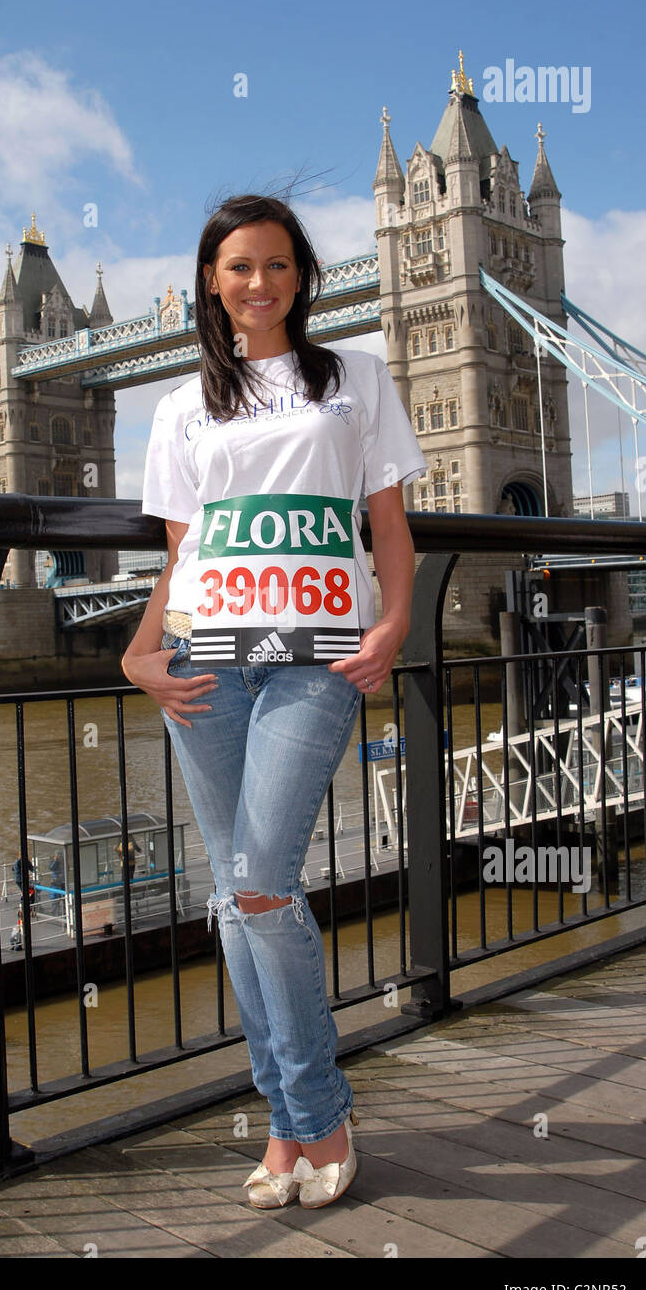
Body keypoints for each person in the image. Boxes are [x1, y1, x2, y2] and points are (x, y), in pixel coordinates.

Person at [122, 191, 425, 1210]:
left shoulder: (355, 380)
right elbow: (183, 551)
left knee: (259, 883)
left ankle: (320, 1109)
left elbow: (389, 524)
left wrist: (393, 623)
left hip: (315, 658)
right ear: (211, 280)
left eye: (280, 265)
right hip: (205, 658)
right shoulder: (180, 404)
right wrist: (137, 649)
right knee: (233, 900)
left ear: (303, 277)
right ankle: (289, 1133)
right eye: (240, 266)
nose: (261, 284)